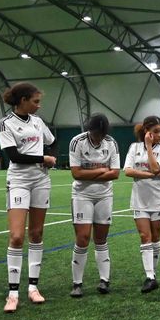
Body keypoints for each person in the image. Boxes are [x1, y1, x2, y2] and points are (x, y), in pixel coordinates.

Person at [0, 82, 56, 311]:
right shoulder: (6, 124)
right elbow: (14, 156)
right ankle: (12, 293)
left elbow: (52, 142)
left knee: (37, 233)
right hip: (19, 181)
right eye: (35, 101)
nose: (38, 105)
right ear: (23, 100)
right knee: (16, 237)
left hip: (41, 181)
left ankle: (33, 288)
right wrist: (43, 159)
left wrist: (49, 157)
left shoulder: (38, 122)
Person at [68, 113, 121, 297]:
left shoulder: (111, 143)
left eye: (101, 134)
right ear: (89, 129)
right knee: (82, 238)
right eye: (95, 133)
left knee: (101, 239)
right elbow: (76, 174)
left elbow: (115, 174)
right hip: (82, 195)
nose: (98, 137)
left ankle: (104, 280)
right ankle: (77, 283)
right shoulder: (77, 141)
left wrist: (89, 172)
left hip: (104, 195)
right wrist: (101, 170)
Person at [124, 115, 160, 293]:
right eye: (156, 132)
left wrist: (150, 147)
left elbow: (156, 168)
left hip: (158, 199)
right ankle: (150, 277)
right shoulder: (134, 147)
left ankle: (153, 273)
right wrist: (151, 175)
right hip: (139, 199)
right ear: (146, 131)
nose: (159, 135)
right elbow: (128, 171)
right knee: (145, 236)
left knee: (156, 236)